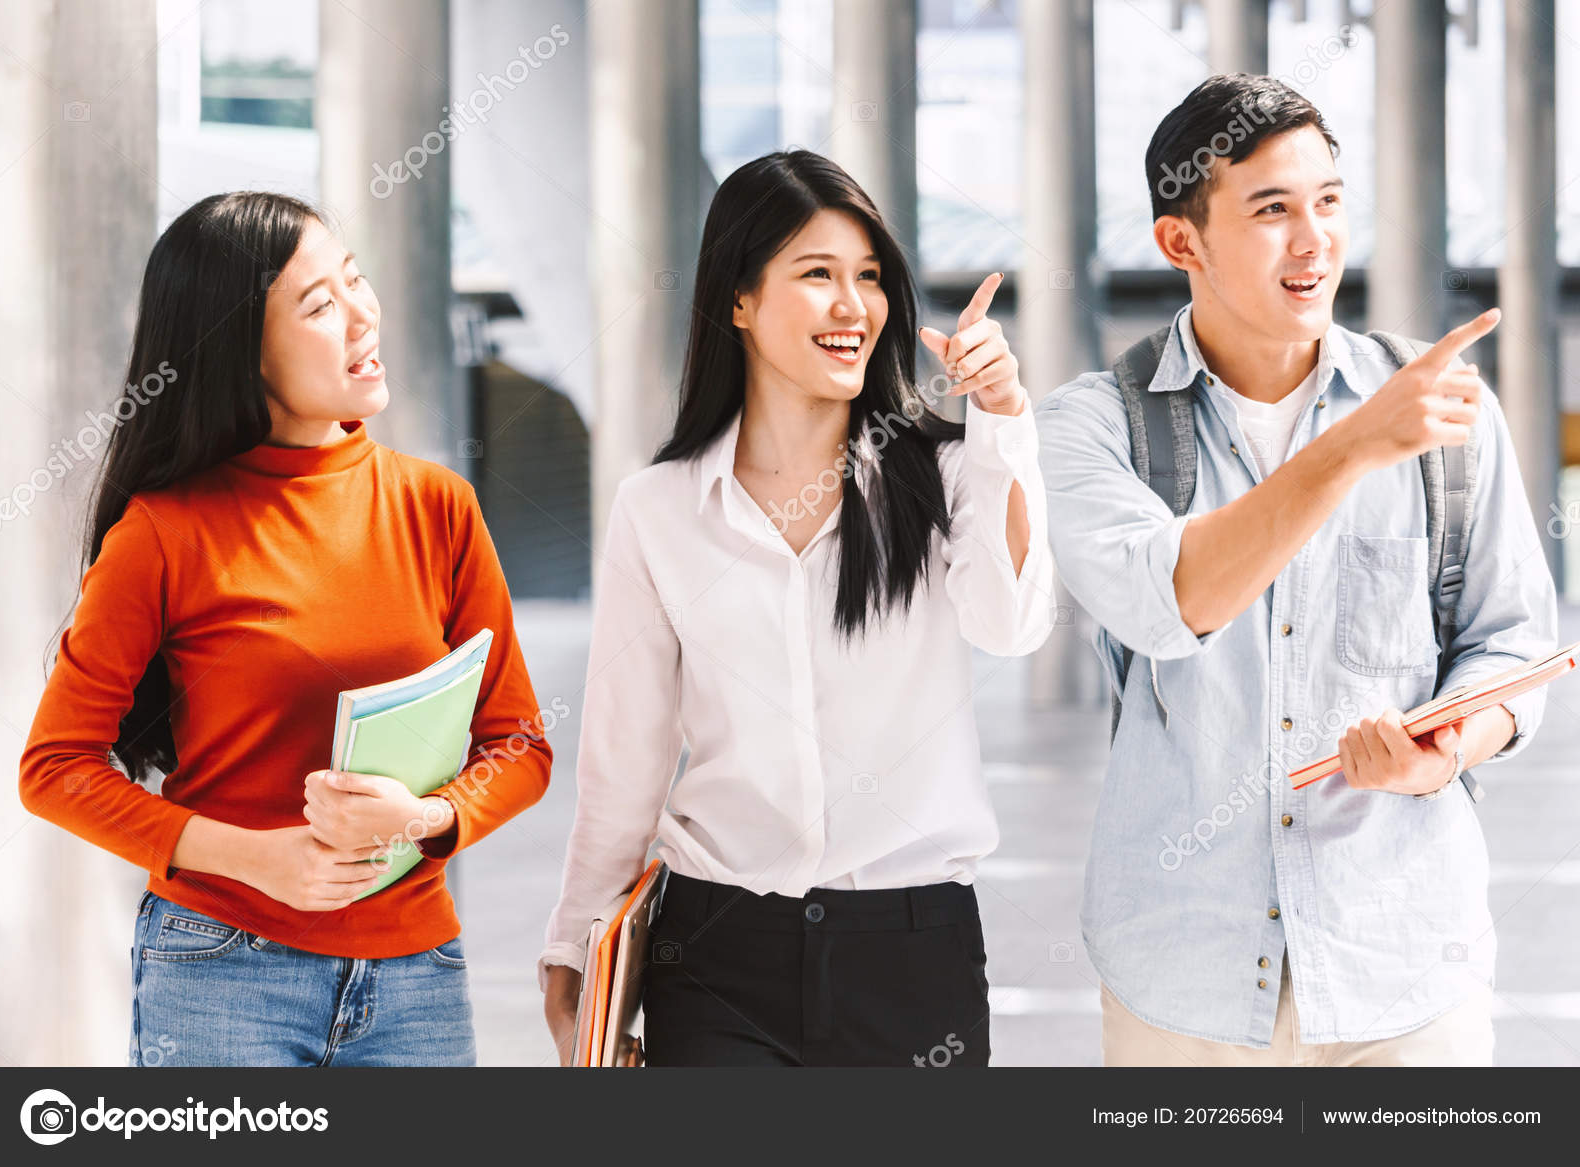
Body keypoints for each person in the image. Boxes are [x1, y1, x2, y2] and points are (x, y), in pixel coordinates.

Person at [1039, 73, 1558, 1067]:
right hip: (1179, 986)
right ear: (1180, 242)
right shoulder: (1094, 426)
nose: (1314, 240)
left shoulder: (1445, 417)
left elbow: (1513, 640)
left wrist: (1445, 748)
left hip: (1404, 973)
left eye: (1327, 201)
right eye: (1272, 210)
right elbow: (1169, 601)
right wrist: (1353, 449)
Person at [539, 149, 1056, 1067]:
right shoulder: (659, 510)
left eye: (868, 277)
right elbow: (625, 760)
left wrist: (1004, 416)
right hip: (715, 950)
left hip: (912, 954)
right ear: (739, 299)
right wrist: (576, 939)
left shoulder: (941, 473)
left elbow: (1011, 624)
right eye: (817, 274)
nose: (852, 305)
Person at [19, 191, 553, 1067]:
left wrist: (428, 815)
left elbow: (521, 744)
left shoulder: (437, 506)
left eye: (356, 281)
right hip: (226, 972)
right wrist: (255, 859)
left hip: (415, 974)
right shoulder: (165, 531)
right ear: (241, 351)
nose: (361, 316)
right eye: (318, 305)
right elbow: (54, 769)